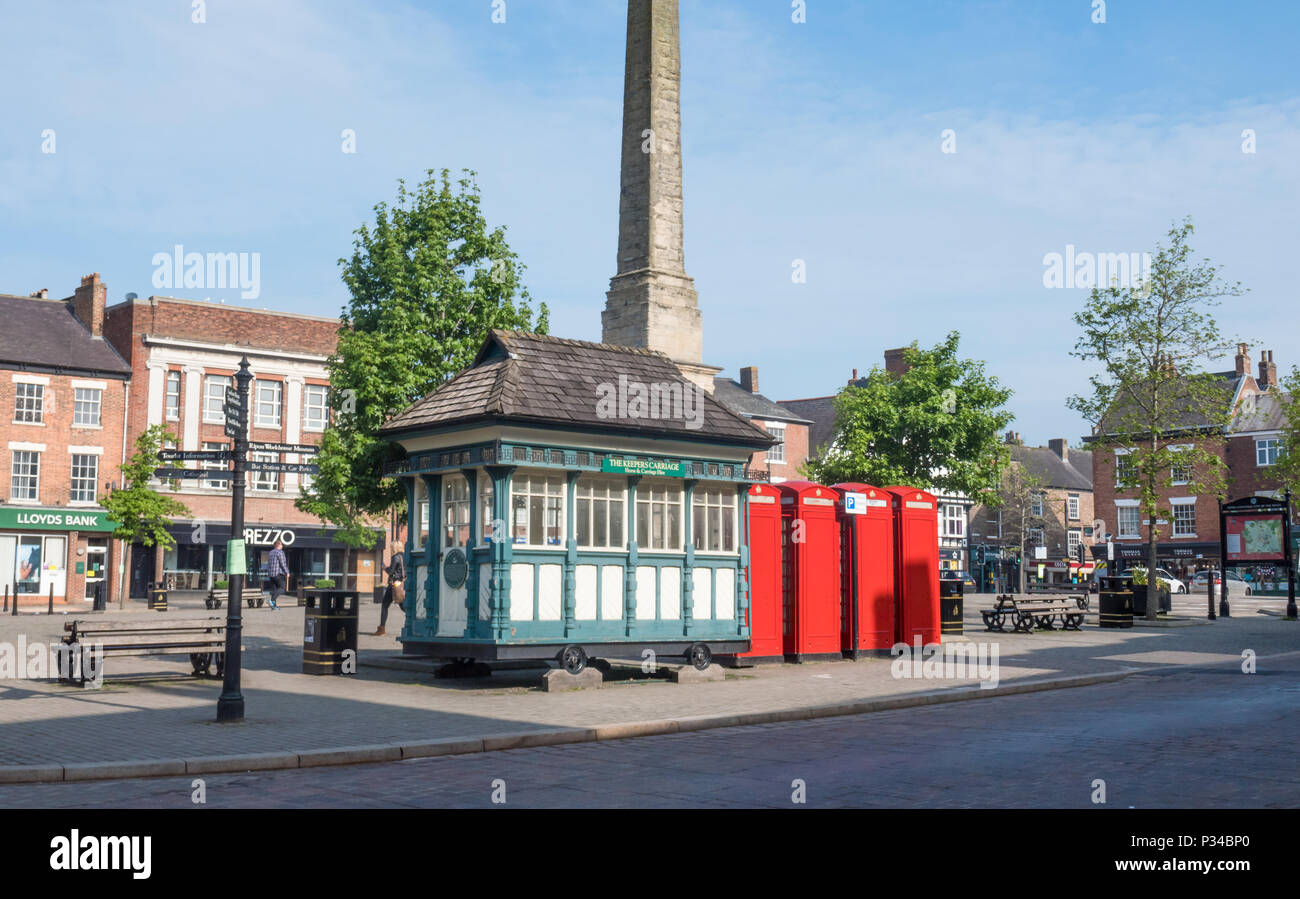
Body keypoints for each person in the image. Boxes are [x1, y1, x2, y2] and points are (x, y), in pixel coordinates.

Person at [372, 552, 405, 636]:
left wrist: (384, 568)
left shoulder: (395, 557)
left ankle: (381, 629)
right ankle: (413, 619)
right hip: (401, 584)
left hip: (394, 585)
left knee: (384, 605)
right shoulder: (404, 555)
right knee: (402, 605)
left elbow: (391, 571)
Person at [266, 539, 289, 610]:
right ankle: (272, 600)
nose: (282, 546)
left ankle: (274, 606)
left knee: (274, 590)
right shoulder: (280, 552)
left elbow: (269, 564)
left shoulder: (271, 552)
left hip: (271, 574)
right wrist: (287, 572)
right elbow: (283, 563)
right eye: (282, 544)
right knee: (282, 588)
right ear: (278, 545)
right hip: (278, 574)